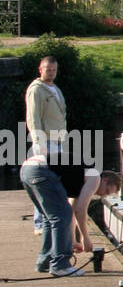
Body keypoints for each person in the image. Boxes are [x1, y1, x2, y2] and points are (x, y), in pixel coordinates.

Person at [25, 56, 66, 236]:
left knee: (55, 180)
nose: (51, 73)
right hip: (45, 142)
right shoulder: (36, 90)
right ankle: (39, 223)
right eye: (48, 70)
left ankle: (48, 220)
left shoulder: (55, 88)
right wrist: (39, 142)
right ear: (40, 70)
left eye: (54, 70)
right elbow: (33, 118)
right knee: (42, 182)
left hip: (57, 140)